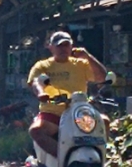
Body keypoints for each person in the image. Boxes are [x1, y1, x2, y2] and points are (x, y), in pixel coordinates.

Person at [27, 30, 107, 158]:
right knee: (36, 131)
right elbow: (36, 81)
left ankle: (101, 158)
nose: (63, 49)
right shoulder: (43, 65)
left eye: (66, 45)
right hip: (53, 113)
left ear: (71, 46)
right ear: (51, 47)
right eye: (59, 46)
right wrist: (41, 93)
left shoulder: (81, 64)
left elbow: (102, 77)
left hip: (78, 112)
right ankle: (62, 157)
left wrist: (88, 56)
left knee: (104, 122)